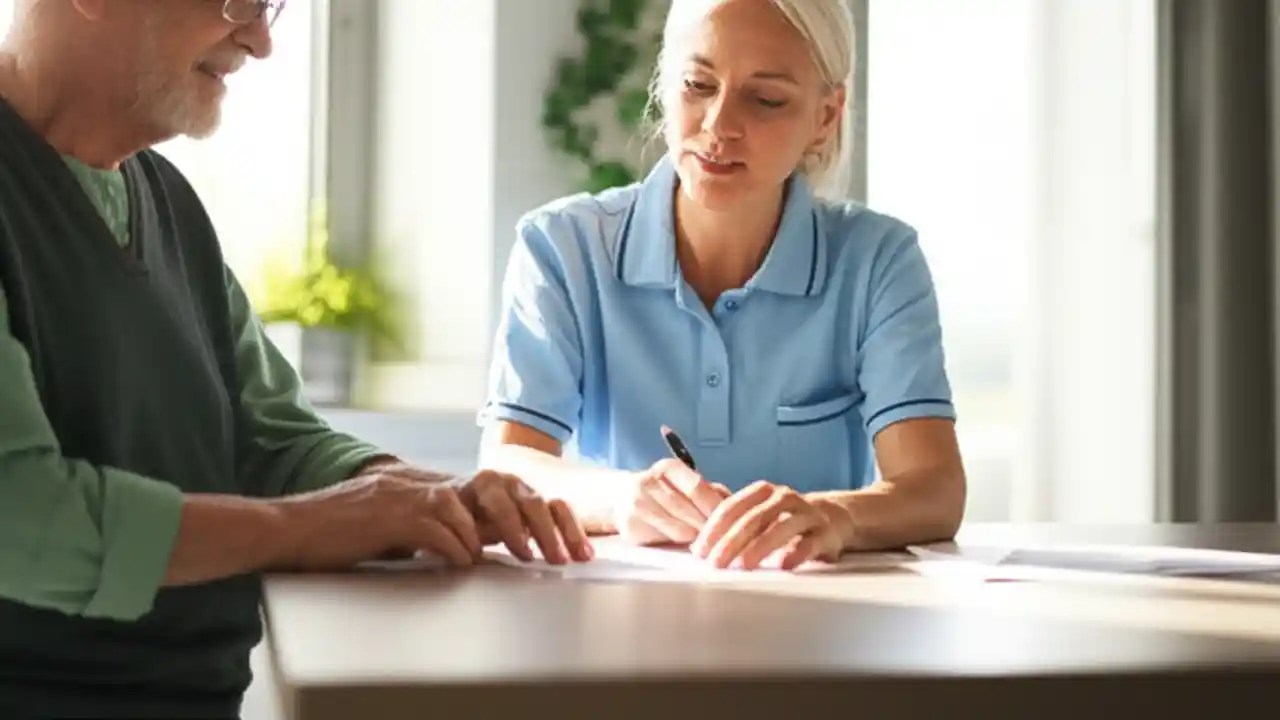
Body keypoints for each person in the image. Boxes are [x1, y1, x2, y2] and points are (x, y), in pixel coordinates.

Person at [0, 1, 589, 716]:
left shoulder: (170, 203)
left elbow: (273, 437)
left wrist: (416, 493)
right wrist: (314, 525)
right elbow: (25, 517)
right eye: (236, 2)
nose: (261, 40)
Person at [480, 0, 965, 573]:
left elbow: (933, 488)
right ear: (665, 84)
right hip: (621, 621)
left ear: (826, 116)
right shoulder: (561, 248)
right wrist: (621, 498)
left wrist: (837, 516)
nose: (718, 127)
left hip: (820, 625)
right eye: (698, 85)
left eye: (765, 100)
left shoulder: (879, 261)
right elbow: (509, 466)